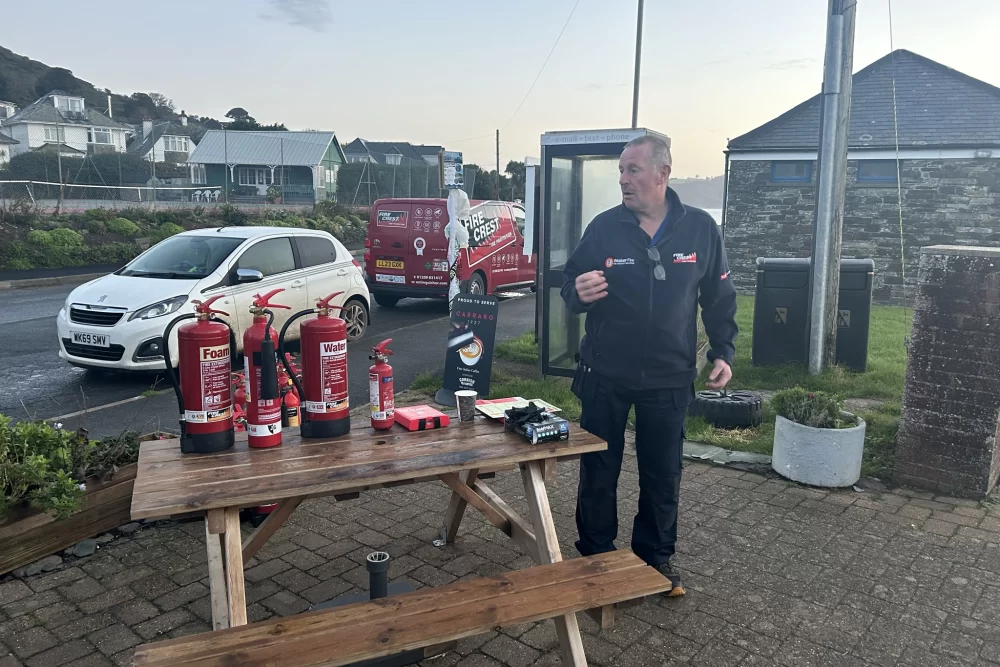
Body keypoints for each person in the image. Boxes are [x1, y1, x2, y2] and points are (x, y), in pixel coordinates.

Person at [561, 134, 737, 596]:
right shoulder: (603, 228)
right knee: (598, 470)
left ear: (662, 173)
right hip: (605, 375)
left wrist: (724, 351)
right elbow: (568, 283)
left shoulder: (700, 229)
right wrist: (576, 293)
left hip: (670, 379)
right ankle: (596, 561)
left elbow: (719, 298)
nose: (623, 179)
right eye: (621, 170)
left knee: (663, 475)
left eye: (632, 170)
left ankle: (653, 562)